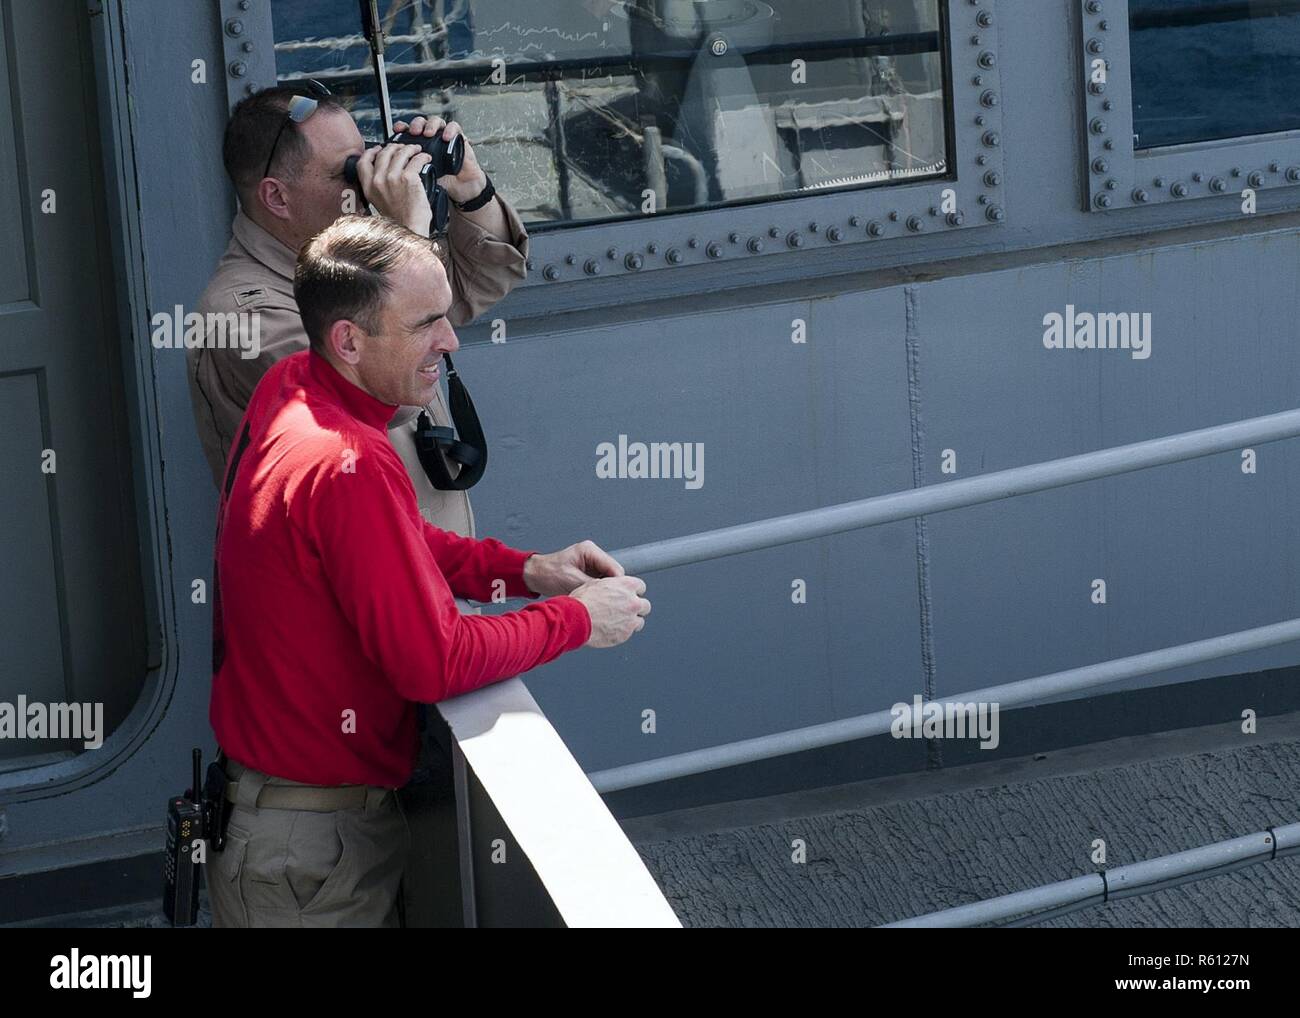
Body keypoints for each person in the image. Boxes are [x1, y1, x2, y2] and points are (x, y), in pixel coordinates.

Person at [205, 215, 650, 928]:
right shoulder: (348, 463)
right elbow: (433, 664)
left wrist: (531, 572)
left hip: (282, 828)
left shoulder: (294, 387)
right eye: (427, 324)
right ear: (349, 340)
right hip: (311, 856)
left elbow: (398, 548)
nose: (450, 341)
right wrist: (577, 620)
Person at [188, 81, 521, 542]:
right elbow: (373, 390)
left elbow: (479, 281)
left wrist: (470, 190)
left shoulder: (348, 258)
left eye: (367, 156)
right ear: (277, 197)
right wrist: (406, 233)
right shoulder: (241, 317)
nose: (367, 181)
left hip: (428, 567)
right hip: (349, 596)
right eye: (347, 171)